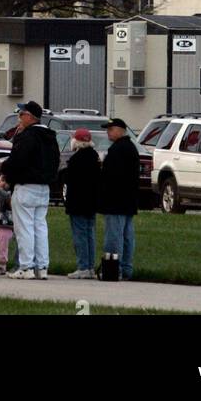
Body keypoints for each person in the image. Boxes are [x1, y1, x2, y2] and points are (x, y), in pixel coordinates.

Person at [0, 100, 60, 280]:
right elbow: (56, 162)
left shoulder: (27, 137)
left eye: (21, 114)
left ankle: (26, 267)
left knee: (24, 228)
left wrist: (5, 169)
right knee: (40, 227)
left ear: (29, 116)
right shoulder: (50, 137)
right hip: (44, 188)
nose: (18, 118)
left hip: (26, 187)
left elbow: (18, 161)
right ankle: (42, 267)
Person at [100, 118, 140, 282]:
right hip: (128, 201)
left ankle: (113, 269)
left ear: (119, 130)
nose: (107, 132)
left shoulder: (117, 150)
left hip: (115, 201)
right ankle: (126, 268)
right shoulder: (131, 148)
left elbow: (111, 176)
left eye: (110, 129)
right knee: (127, 236)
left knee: (114, 237)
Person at [63, 128, 101, 279]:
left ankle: (83, 266)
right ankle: (90, 267)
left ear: (76, 141)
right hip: (91, 203)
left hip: (78, 203)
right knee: (89, 234)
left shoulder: (76, 159)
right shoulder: (94, 157)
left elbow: (70, 180)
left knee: (80, 236)